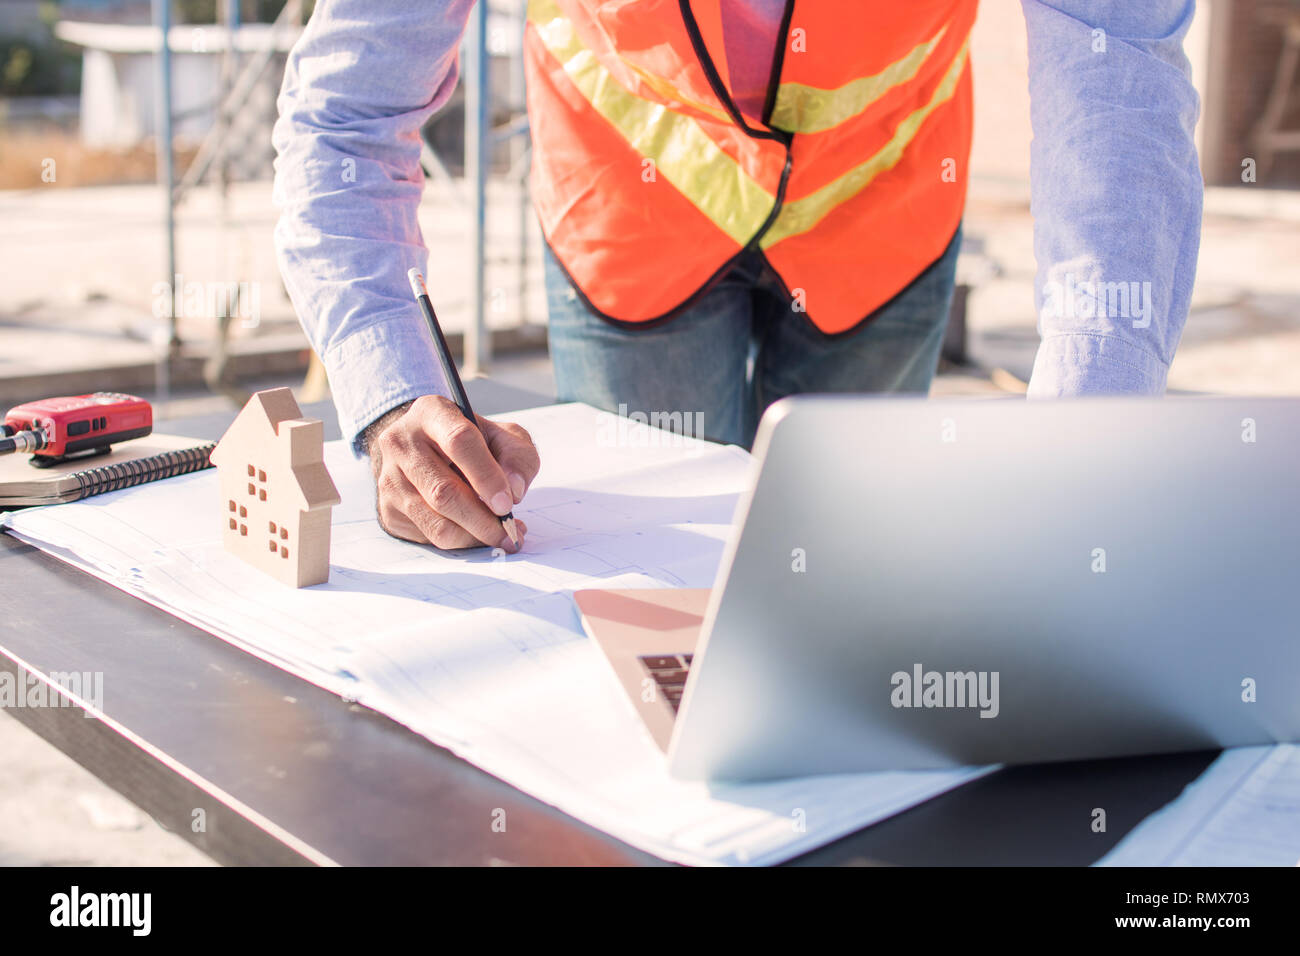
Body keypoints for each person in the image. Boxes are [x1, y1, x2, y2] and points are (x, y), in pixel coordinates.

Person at [272, 0, 1202, 552]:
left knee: (850, 567)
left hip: (882, 200)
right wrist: (394, 391)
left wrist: (1089, 432)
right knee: (645, 599)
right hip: (631, 200)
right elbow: (345, 117)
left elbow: (1115, 66)